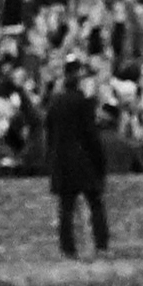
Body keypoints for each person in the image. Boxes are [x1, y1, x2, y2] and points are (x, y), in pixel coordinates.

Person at [47, 58, 108, 259]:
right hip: (84, 161)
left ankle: (67, 248)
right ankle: (102, 243)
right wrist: (100, 162)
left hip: (62, 162)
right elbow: (91, 136)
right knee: (95, 202)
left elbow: (49, 134)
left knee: (66, 207)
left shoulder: (55, 102)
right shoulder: (84, 103)